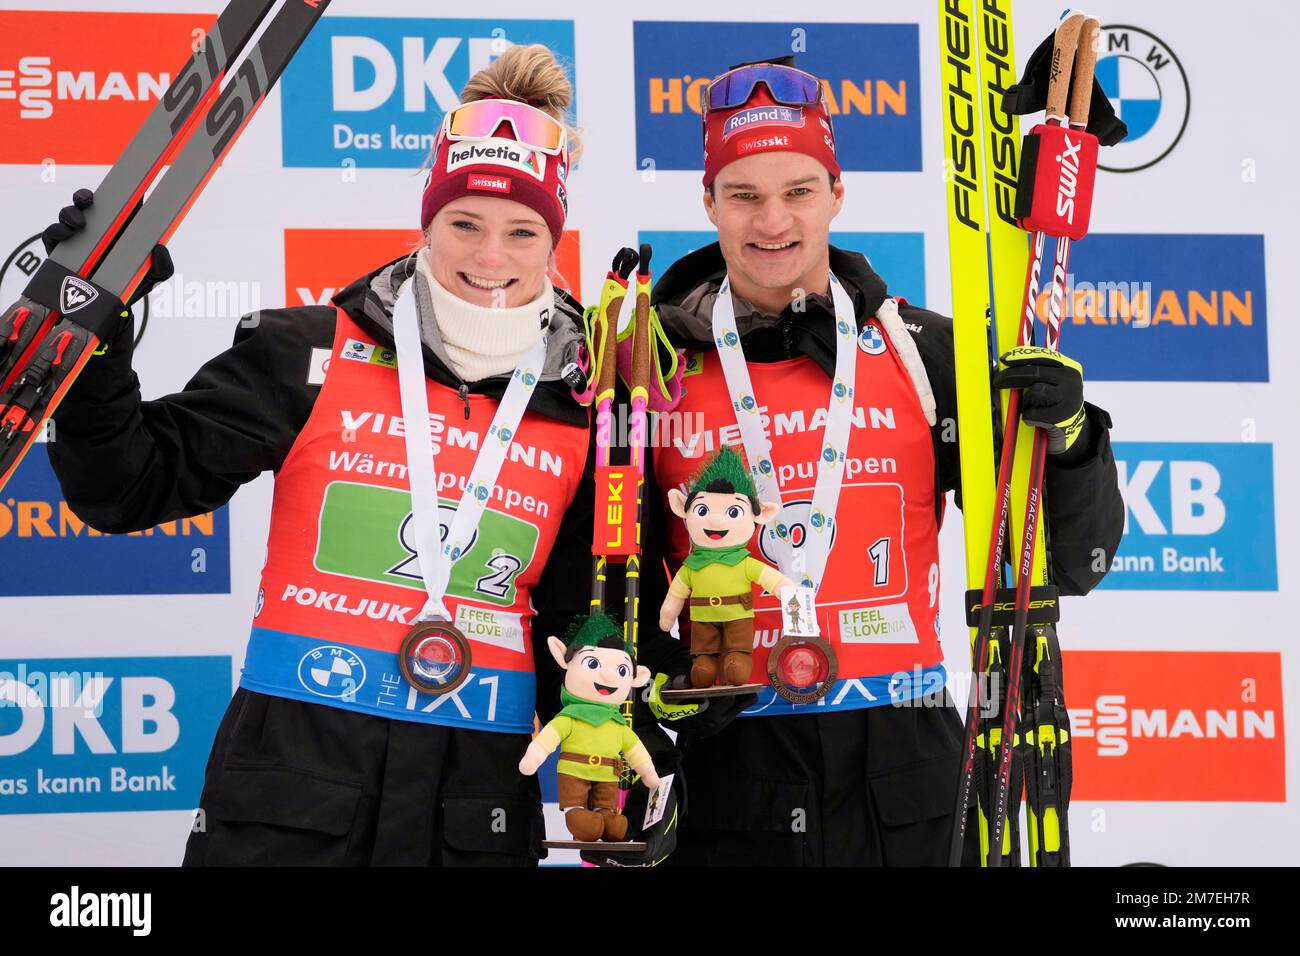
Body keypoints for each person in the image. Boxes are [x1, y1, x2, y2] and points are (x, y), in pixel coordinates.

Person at [44, 45, 608, 866]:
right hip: (293, 798)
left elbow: (574, 624)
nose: (492, 258)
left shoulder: (587, 398)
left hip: (472, 810)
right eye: (465, 223)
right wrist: (97, 354)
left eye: (523, 231)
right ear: (428, 220)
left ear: (552, 238)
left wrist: (625, 761)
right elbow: (130, 486)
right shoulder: (306, 353)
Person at [635, 58, 1126, 866]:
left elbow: (1066, 562)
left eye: (797, 190)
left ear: (836, 191)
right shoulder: (652, 365)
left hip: (911, 780)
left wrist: (1068, 441)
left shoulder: (923, 352)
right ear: (708, 202)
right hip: (730, 778)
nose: (772, 220)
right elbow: (614, 564)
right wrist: (662, 684)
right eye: (744, 194)